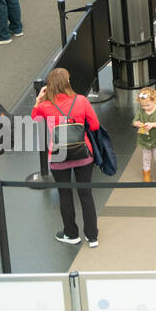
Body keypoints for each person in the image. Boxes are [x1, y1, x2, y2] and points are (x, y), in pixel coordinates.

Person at [31, 69, 100, 247]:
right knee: (86, 194)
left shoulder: (45, 106)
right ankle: (92, 237)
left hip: (58, 157)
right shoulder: (81, 101)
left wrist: (38, 99)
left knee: (65, 195)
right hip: (83, 155)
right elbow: (94, 125)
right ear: (68, 82)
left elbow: (35, 120)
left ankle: (71, 234)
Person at [131, 87, 156, 183]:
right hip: (145, 140)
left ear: (154, 100)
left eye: (148, 105)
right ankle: (146, 173)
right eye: (143, 106)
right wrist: (137, 123)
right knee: (146, 158)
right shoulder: (141, 111)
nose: (145, 108)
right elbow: (134, 121)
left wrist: (153, 124)